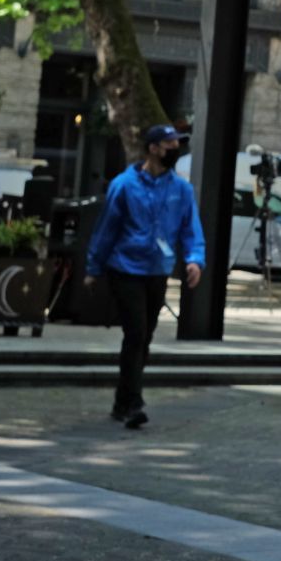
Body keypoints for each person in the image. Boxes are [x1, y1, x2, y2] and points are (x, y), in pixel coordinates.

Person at [84, 125, 205, 430]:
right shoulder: (124, 185)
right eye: (169, 144)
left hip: (157, 271)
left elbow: (191, 229)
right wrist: (93, 268)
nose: (175, 149)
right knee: (136, 332)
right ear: (152, 147)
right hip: (125, 268)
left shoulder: (181, 189)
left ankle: (123, 400)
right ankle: (133, 402)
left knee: (144, 337)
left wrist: (195, 260)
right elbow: (106, 228)